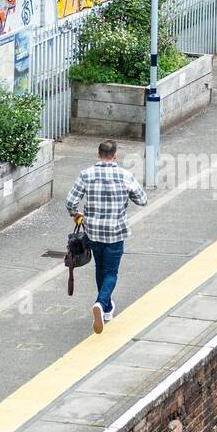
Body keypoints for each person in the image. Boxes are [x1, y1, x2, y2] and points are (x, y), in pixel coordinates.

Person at [65, 139, 147, 334]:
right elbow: (142, 199)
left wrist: (76, 214)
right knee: (111, 272)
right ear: (115, 156)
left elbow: (70, 202)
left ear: (98, 154)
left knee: (99, 268)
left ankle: (107, 308)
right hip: (115, 231)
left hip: (93, 231)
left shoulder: (86, 174)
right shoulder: (125, 175)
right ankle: (101, 304)